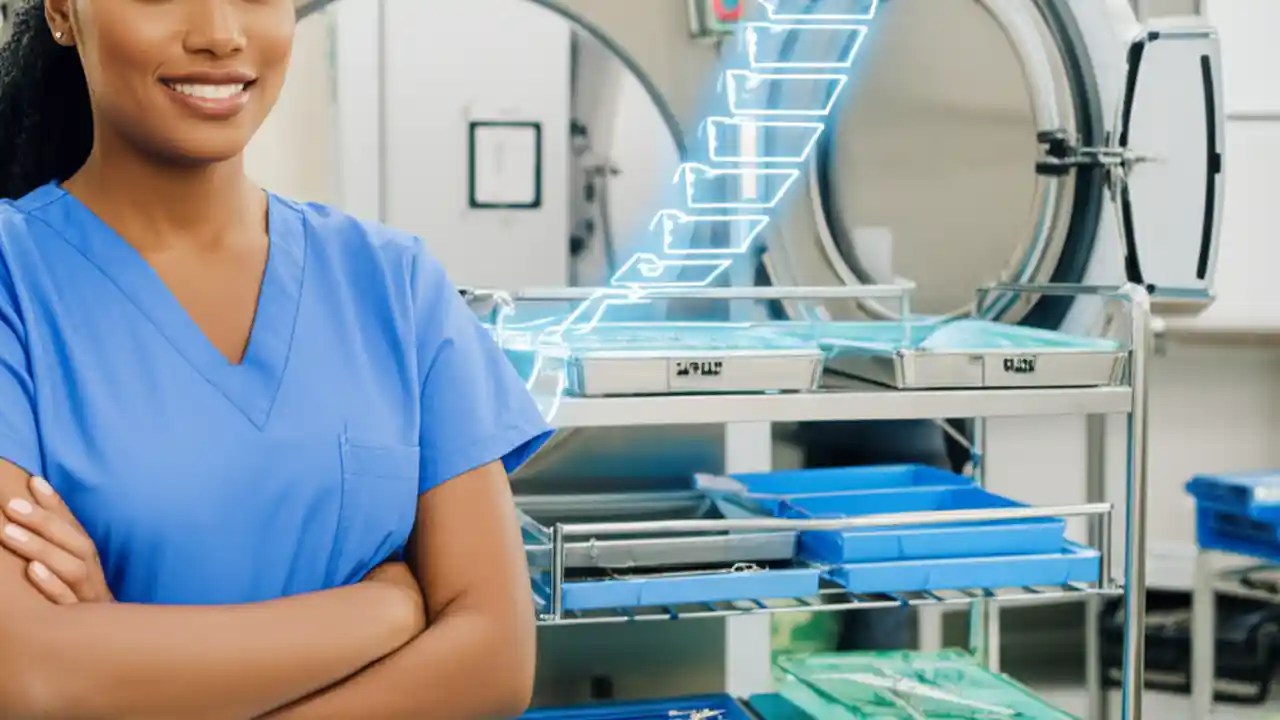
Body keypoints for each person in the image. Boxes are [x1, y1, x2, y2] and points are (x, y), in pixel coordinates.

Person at [0, 0, 552, 717]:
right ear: (63, 11)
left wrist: (126, 667)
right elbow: (28, 673)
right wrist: (380, 611)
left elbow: (494, 659)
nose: (219, 34)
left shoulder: (393, 283)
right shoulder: (16, 279)